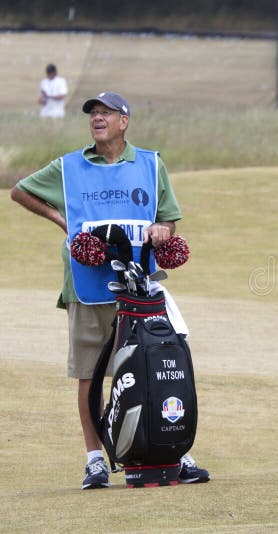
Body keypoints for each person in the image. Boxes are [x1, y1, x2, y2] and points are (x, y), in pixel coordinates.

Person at [10, 91, 211, 489]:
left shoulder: (151, 164)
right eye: (93, 113)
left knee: (155, 368)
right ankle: (95, 461)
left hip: (141, 286)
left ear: (124, 121)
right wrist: (64, 221)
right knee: (90, 375)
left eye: (106, 113)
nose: (97, 118)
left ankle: (171, 452)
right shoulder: (68, 166)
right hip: (87, 287)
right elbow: (20, 191)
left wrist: (162, 230)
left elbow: (169, 219)